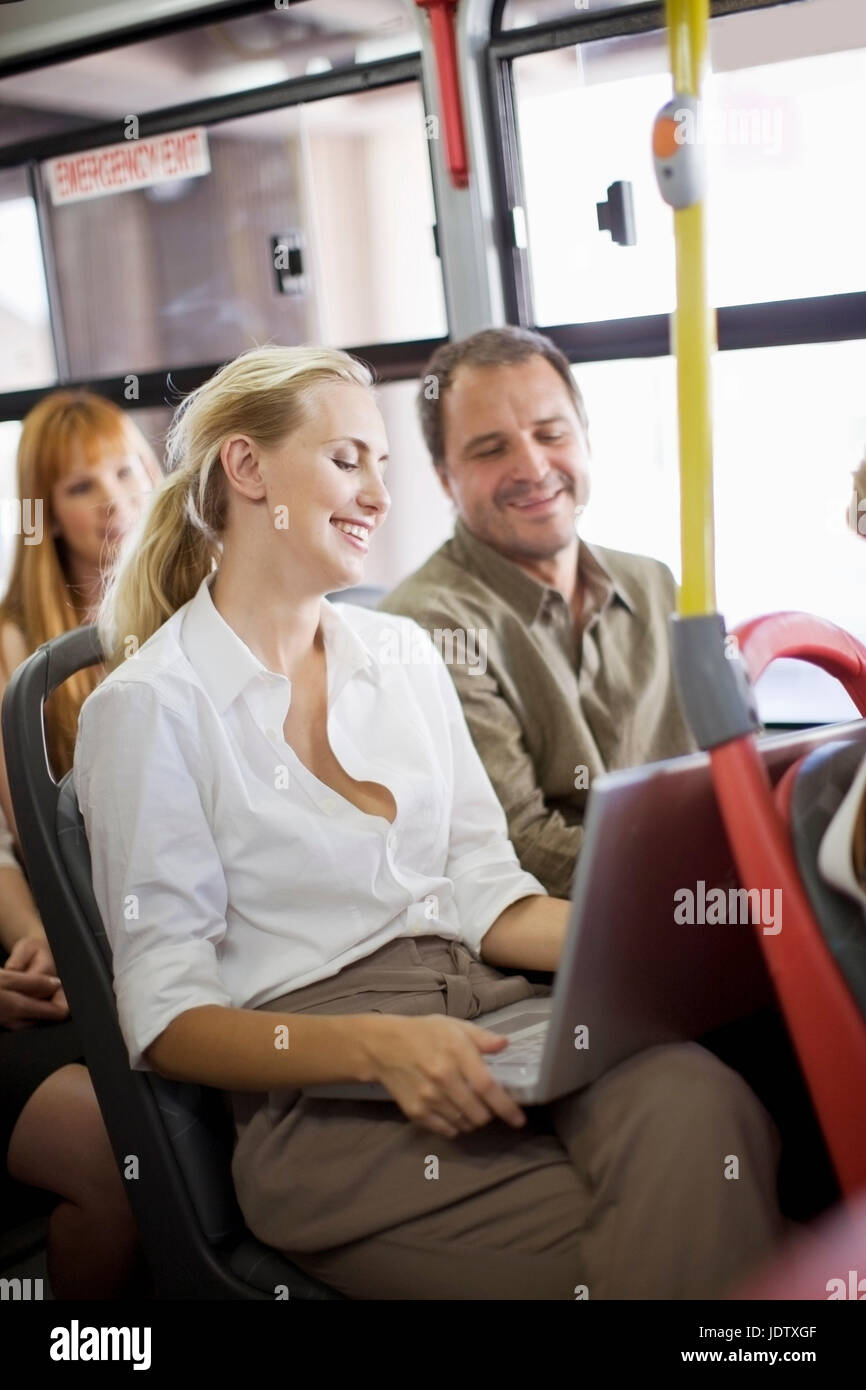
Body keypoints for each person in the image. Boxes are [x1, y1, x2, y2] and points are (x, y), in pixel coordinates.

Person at [72, 345, 786, 1300]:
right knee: (686, 1245)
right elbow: (167, 1017)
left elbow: (489, 894)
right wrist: (382, 1045)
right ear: (247, 468)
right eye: (346, 461)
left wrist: (655, 942)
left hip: (504, 1016)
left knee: (706, 1103)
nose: (378, 495)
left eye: (382, 465)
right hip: (330, 1094)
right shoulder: (148, 708)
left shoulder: (404, 653)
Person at [380, 326, 695, 901]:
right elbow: (522, 843)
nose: (532, 466)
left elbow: (740, 762)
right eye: (491, 449)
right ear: (445, 478)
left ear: (586, 439)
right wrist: (705, 883)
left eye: (551, 434)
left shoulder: (658, 584)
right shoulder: (425, 626)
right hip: (588, 926)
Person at [0, 389, 160, 1297]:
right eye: (80, 486)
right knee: (120, 1156)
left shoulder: (187, 615)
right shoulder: (15, 653)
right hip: (55, 968)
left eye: (127, 470)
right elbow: (10, 846)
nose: (115, 499)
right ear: (44, 514)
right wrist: (42, 937)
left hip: (127, 952)